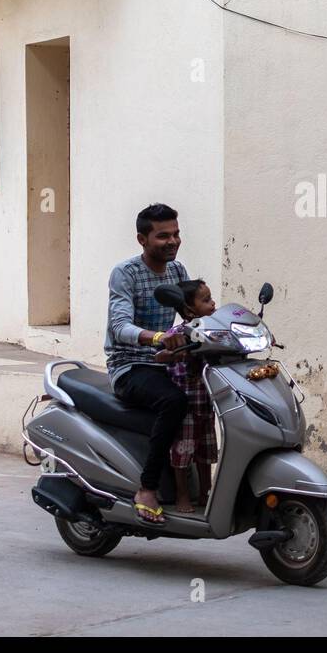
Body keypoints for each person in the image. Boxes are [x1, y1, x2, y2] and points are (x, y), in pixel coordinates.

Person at [104, 203, 189, 525]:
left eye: (176, 234)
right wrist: (156, 338)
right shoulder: (125, 273)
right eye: (163, 236)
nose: (172, 241)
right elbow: (120, 327)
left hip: (168, 361)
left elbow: (193, 312)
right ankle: (147, 488)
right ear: (142, 239)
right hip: (130, 365)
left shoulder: (177, 272)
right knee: (174, 401)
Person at [156, 279, 219, 513]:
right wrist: (170, 354)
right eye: (206, 300)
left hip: (208, 403)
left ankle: (206, 492)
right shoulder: (178, 334)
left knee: (206, 452)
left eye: (211, 298)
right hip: (187, 406)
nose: (213, 304)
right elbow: (160, 355)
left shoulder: (214, 331)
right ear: (189, 310)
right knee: (183, 452)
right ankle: (183, 493)